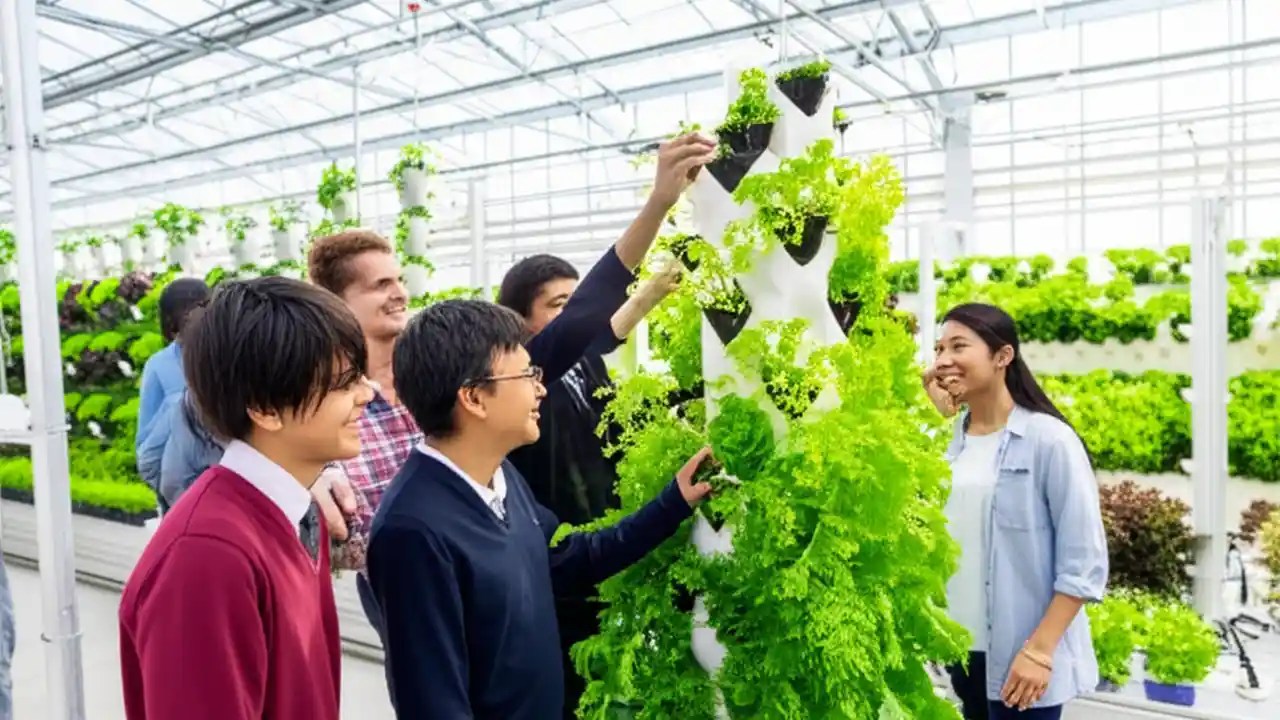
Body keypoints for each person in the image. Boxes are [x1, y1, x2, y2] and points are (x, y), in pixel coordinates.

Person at [316, 132, 716, 634]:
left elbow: (587, 317)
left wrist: (659, 204)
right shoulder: (329, 405)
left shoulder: (466, 373)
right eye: (380, 285)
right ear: (336, 302)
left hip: (503, 593)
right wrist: (311, 477)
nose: (400, 293)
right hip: (421, 609)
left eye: (400, 279)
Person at [367, 299, 714, 719]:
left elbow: (569, 558)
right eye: (527, 374)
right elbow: (433, 702)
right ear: (475, 397)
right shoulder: (413, 531)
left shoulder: (501, 477)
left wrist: (672, 502)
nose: (541, 388)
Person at [118, 277, 374, 720]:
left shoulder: (295, 510)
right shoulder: (207, 556)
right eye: (344, 382)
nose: (366, 394)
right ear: (264, 408)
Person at [499, 254, 679, 717]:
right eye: (559, 304)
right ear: (520, 322)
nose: (576, 312)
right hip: (562, 561)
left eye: (574, 300)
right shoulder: (529, 380)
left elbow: (603, 335)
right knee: (571, 680)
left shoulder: (587, 366)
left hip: (605, 547)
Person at [922, 302, 1108, 720]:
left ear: (1002, 356)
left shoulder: (1049, 441)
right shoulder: (948, 443)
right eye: (938, 349)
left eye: (958, 346)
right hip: (964, 651)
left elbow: (1085, 561)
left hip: (1023, 653)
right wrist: (939, 416)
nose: (943, 360)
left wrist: (1041, 651)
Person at [134, 277, 209, 509]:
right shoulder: (159, 366)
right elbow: (146, 448)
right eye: (185, 320)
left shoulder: (228, 357)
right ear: (170, 326)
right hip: (179, 488)